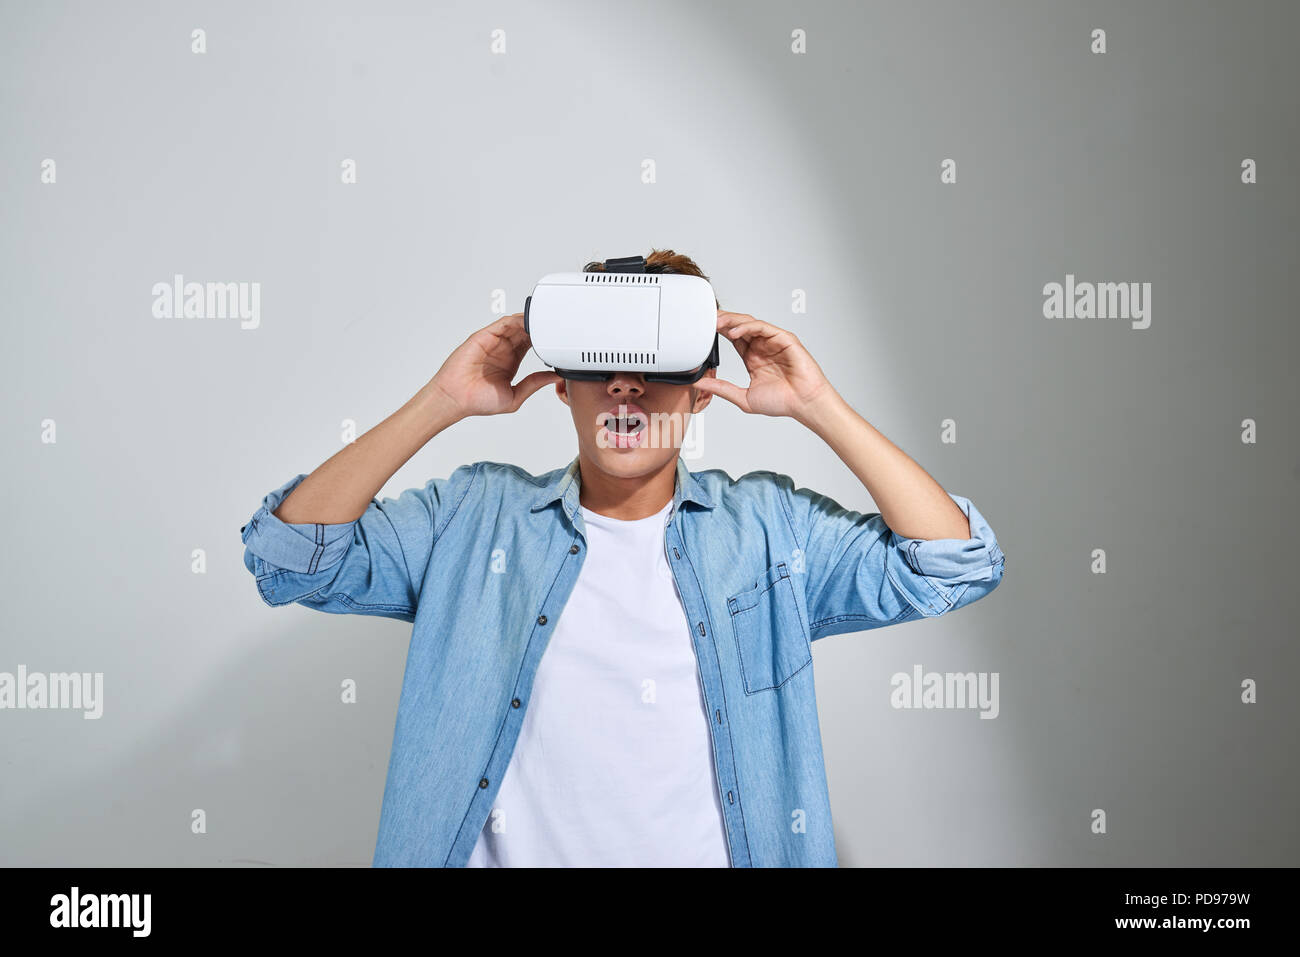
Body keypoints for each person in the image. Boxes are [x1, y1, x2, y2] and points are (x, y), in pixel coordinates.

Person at [239, 248, 1006, 867]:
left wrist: (819, 407)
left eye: (657, 363)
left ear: (703, 388)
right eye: (601, 362)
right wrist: (441, 400)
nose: (628, 384)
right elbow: (291, 557)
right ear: (562, 384)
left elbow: (951, 563)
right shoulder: (472, 520)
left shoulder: (770, 531)